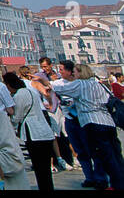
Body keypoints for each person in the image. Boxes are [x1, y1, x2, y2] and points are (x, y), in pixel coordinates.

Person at [52, 61, 124, 190]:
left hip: (93, 122)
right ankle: (117, 182)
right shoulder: (99, 84)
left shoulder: (81, 84)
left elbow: (58, 88)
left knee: (103, 155)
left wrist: (43, 83)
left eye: (75, 72)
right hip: (108, 122)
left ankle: (117, 185)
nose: (73, 74)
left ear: (80, 72)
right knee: (114, 155)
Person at [6, 70, 54, 192]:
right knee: (45, 169)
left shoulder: (19, 95)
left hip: (33, 133)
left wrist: (9, 116)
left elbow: (17, 117)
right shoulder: (31, 92)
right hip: (44, 132)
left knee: (39, 167)